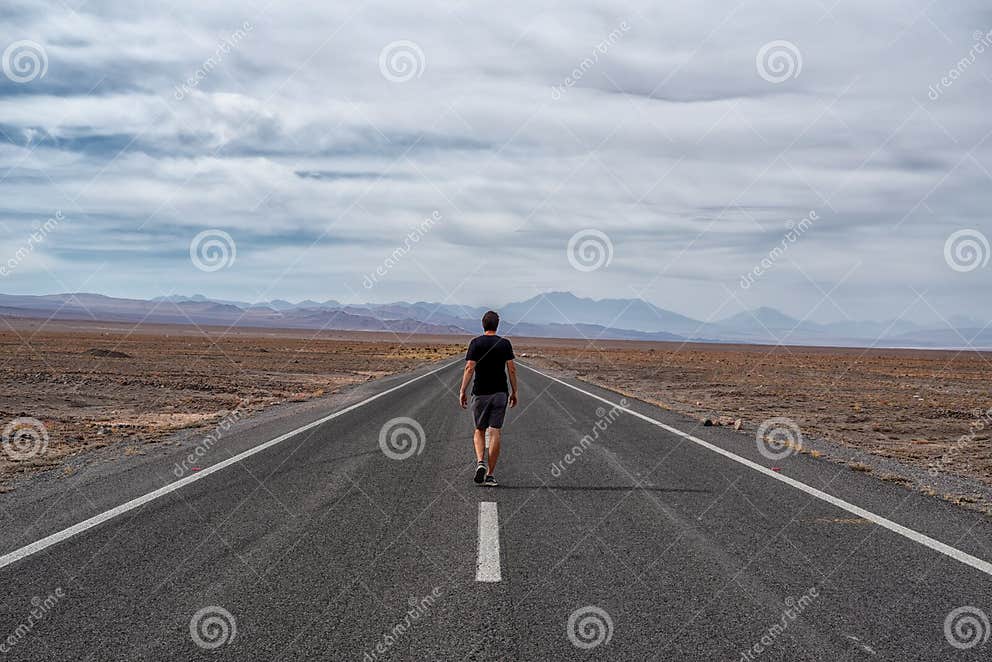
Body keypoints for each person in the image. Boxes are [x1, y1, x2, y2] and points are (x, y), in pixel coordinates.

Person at [459, 310, 518, 486]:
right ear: (497, 325)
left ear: (483, 324)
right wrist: (515, 391)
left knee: (479, 429)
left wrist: (462, 390)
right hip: (500, 392)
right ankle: (490, 475)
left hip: (480, 392)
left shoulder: (475, 343)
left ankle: (480, 462)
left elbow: (469, 368)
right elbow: (512, 369)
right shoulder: (505, 344)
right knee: (495, 431)